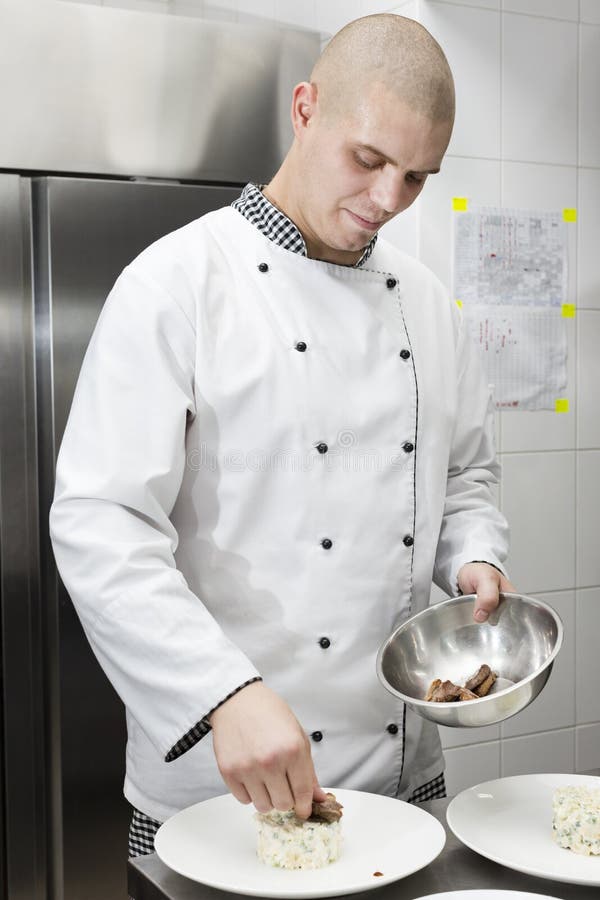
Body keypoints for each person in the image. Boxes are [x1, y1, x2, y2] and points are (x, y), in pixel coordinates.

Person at [49, 13, 514, 859]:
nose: (387, 200)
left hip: (404, 784)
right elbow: (101, 524)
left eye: (416, 176)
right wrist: (222, 693)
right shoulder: (177, 284)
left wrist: (473, 554)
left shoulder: (430, 307)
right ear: (305, 110)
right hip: (221, 786)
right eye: (367, 159)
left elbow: (466, 477)